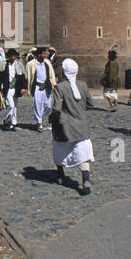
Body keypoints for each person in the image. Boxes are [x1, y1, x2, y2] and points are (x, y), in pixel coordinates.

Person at [49, 58, 97, 194]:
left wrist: (52, 119)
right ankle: (86, 179)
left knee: (59, 149)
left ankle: (60, 175)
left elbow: (57, 108)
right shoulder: (82, 85)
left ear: (64, 72)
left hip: (66, 127)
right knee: (83, 153)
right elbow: (91, 104)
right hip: (81, 126)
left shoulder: (60, 87)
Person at [0, 48, 24, 130]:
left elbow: (23, 77)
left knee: (15, 106)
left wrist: (24, 87)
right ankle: (7, 119)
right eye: (11, 56)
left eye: (14, 56)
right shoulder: (3, 64)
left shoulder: (19, 65)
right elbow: (0, 78)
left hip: (16, 88)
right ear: (8, 56)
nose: (13, 57)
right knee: (11, 105)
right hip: (7, 88)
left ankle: (13, 122)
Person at [31, 47, 54, 131]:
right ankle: (39, 123)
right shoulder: (32, 64)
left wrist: (52, 83)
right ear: (39, 54)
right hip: (37, 87)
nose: (45, 55)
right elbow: (29, 76)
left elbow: (51, 74)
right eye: (43, 54)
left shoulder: (47, 63)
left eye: (45, 54)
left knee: (48, 105)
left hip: (46, 86)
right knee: (37, 105)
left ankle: (39, 117)